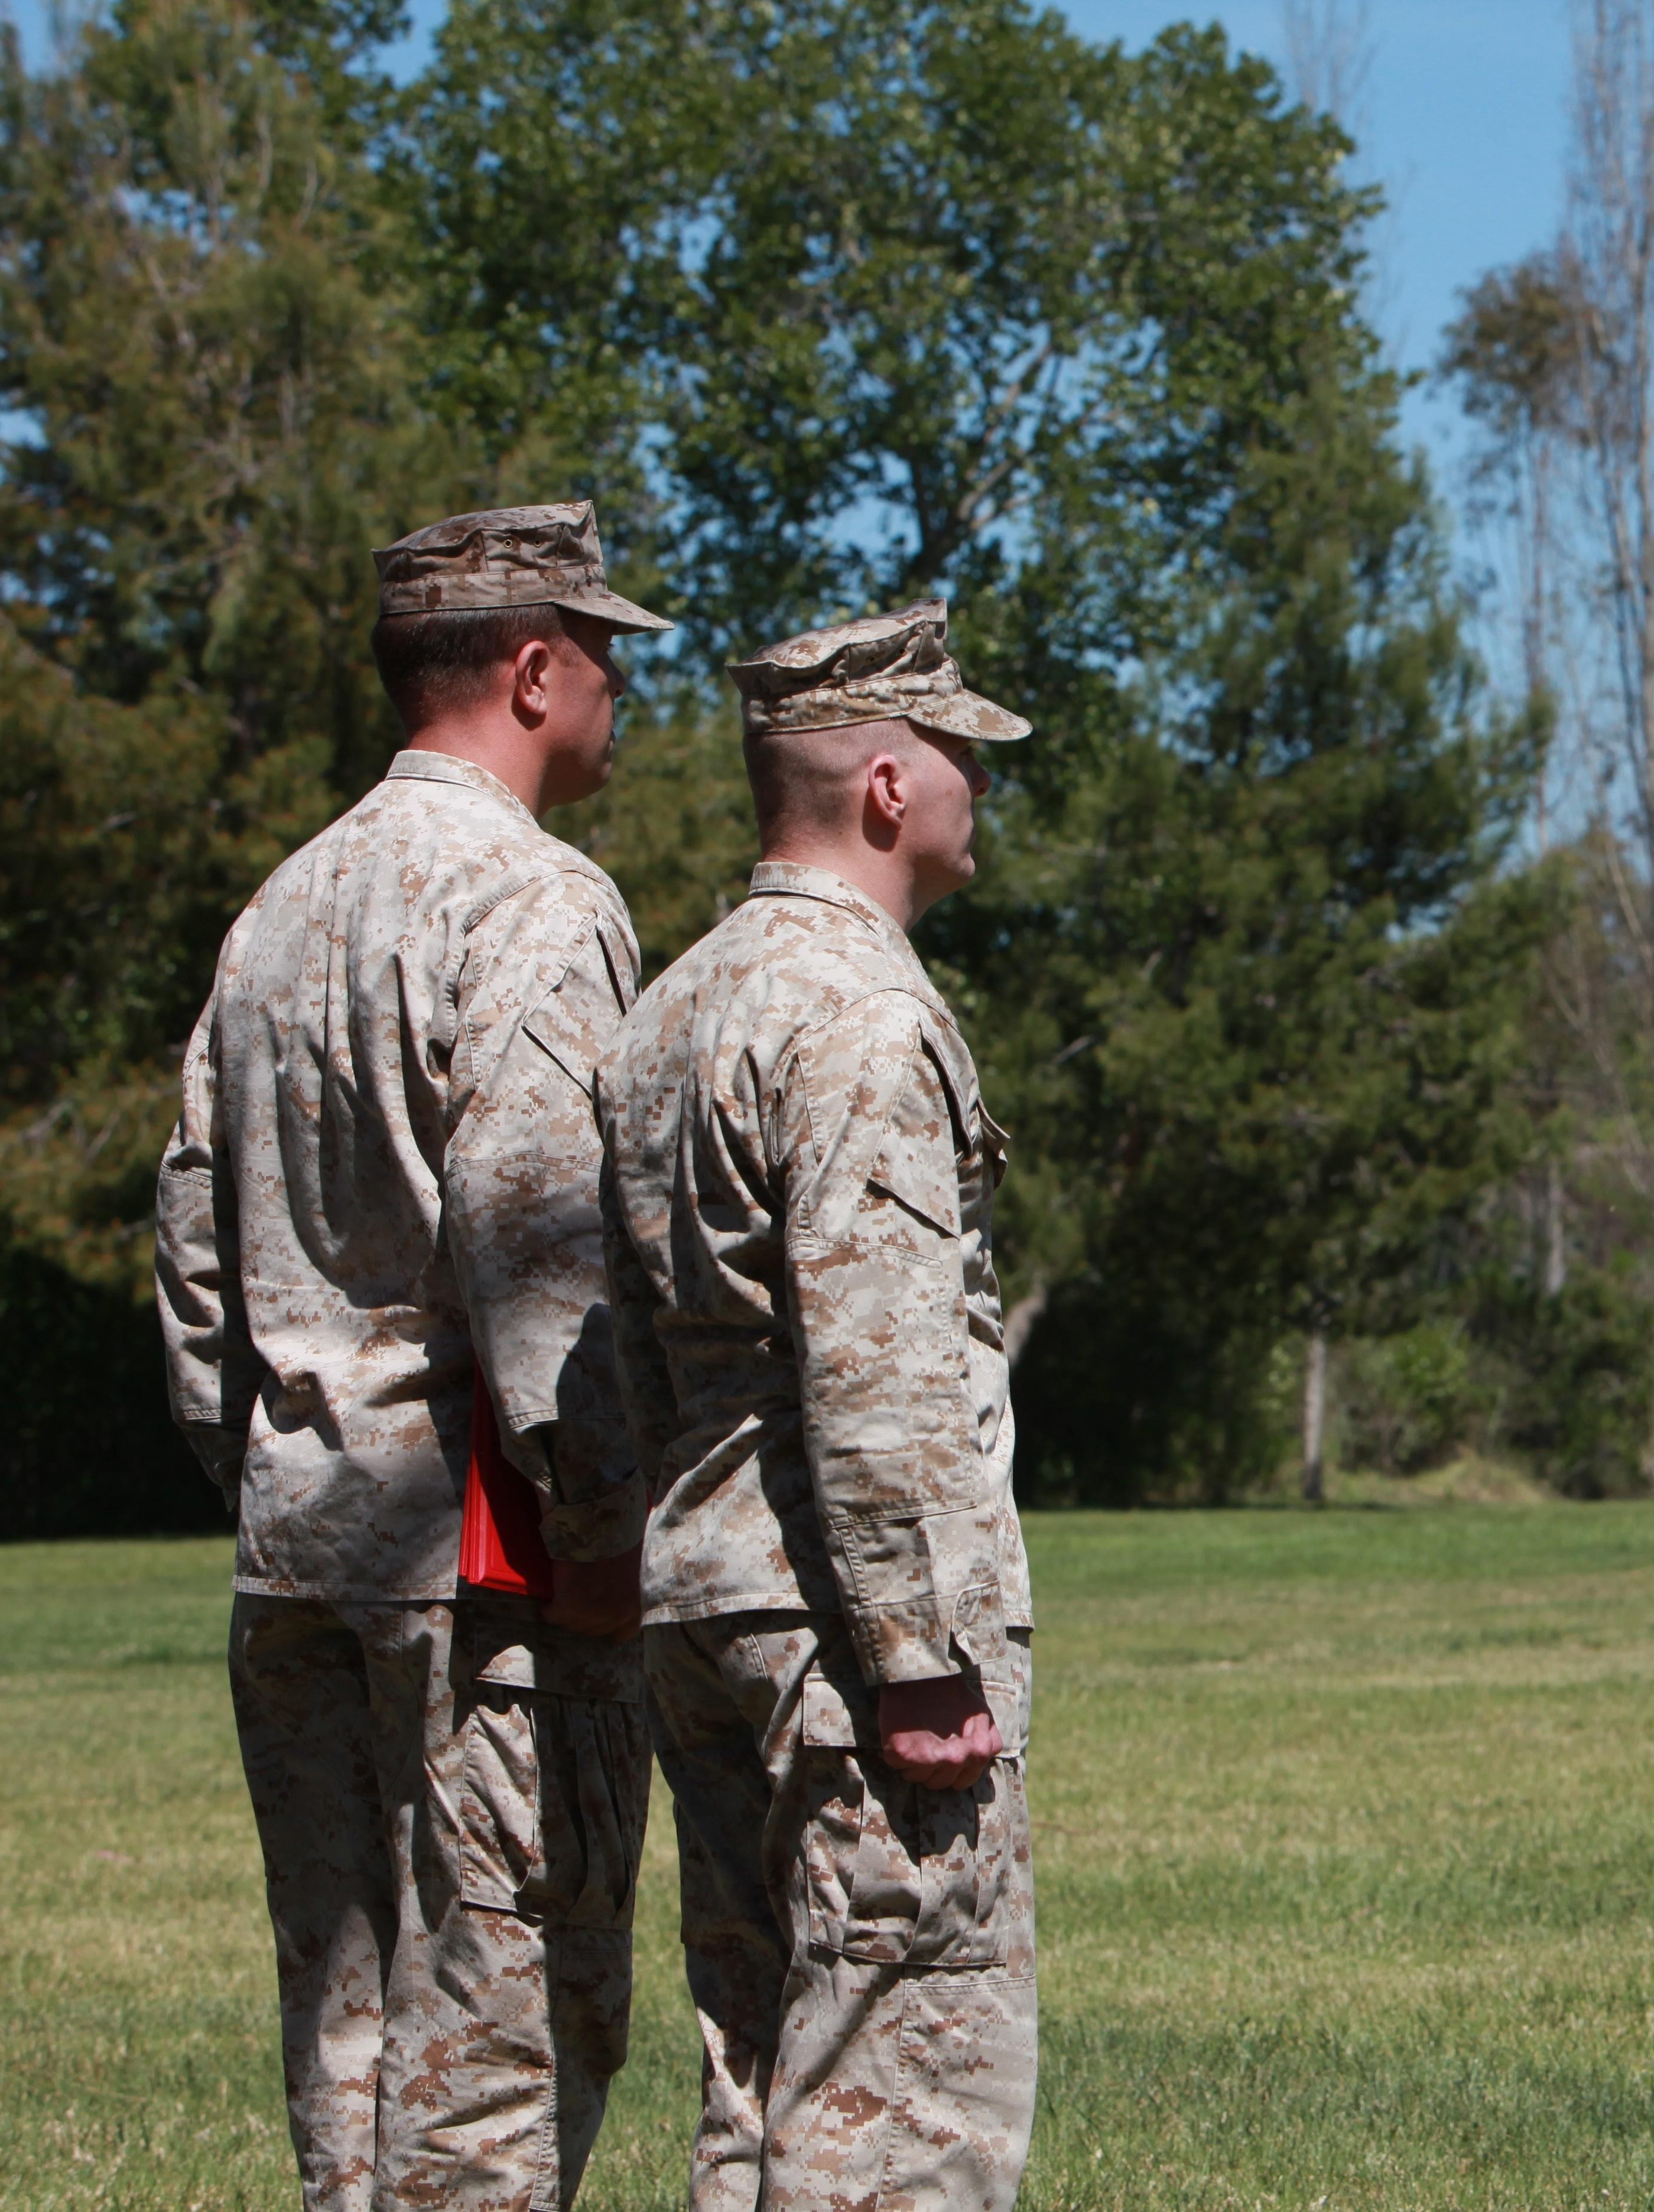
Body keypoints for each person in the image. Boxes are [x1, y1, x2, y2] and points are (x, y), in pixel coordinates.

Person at [153, 501, 673, 2209]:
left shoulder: (278, 908)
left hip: (296, 1545)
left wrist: (259, 1452)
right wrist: (598, 1524)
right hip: (481, 1568)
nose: (620, 694)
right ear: (532, 672)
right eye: (605, 658)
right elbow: (547, 1264)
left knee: (348, 2026)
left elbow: (192, 1254)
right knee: (504, 2036)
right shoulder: (533, 900)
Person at [600, 600, 1038, 2210]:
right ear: (882, 786)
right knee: (900, 2106)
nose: (976, 793)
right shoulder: (854, 1010)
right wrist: (917, 1649)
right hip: (842, 1641)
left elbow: (632, 1343)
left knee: (761, 2073)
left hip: (707, 1593)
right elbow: (880, 1363)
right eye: (959, 760)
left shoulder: (674, 1003)